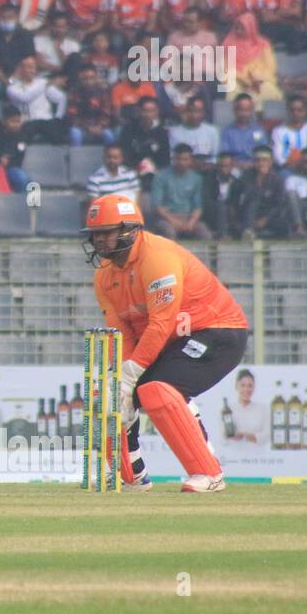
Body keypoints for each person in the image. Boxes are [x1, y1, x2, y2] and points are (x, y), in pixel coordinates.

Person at [83, 194, 248, 493]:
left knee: (157, 389)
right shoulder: (104, 277)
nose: (99, 240)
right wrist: (121, 379)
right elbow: (122, 335)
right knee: (107, 392)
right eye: (95, 234)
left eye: (106, 232)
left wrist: (131, 377)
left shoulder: (157, 257)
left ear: (130, 230)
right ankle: (132, 478)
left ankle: (209, 474)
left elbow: (161, 323)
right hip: (173, 341)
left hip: (218, 331)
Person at [228, 369, 267, 445]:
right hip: (233, 453)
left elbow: (268, 434)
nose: (246, 389)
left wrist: (250, 436)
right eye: (243, 385)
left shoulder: (262, 409)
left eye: (250, 386)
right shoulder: (228, 410)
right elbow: (223, 438)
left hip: (260, 455)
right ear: (236, 386)